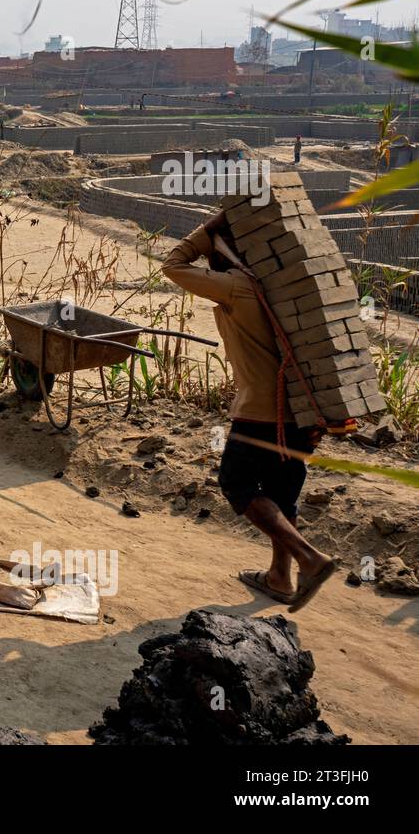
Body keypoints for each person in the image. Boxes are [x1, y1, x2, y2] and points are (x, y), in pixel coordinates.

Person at [161, 209, 337, 612]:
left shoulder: (238, 286)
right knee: (282, 492)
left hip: (260, 409)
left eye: (213, 258)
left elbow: (172, 264)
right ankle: (280, 576)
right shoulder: (280, 287)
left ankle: (309, 557)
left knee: (236, 483)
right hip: (302, 410)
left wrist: (207, 231)